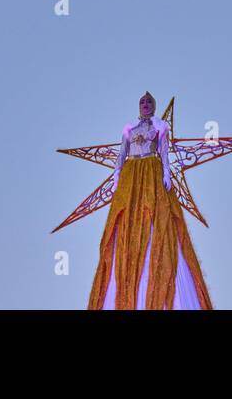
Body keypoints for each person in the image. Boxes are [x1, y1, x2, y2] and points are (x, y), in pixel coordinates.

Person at [87, 92, 213, 309]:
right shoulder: (130, 129)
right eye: (142, 102)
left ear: (153, 106)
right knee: (127, 220)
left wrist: (166, 173)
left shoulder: (159, 127)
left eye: (148, 102)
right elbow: (121, 154)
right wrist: (117, 175)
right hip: (131, 174)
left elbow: (163, 152)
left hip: (151, 171)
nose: (145, 104)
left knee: (156, 215)